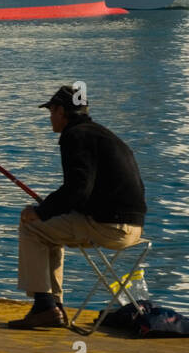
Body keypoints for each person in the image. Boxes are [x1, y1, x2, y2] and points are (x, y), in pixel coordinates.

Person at [8, 85, 147, 329]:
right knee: (48, 228)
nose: (50, 117)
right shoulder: (102, 134)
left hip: (111, 226)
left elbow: (78, 189)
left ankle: (45, 306)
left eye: (51, 111)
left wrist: (41, 211)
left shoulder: (75, 136)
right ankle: (52, 305)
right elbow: (88, 191)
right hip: (132, 226)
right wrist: (52, 209)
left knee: (31, 226)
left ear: (61, 110)